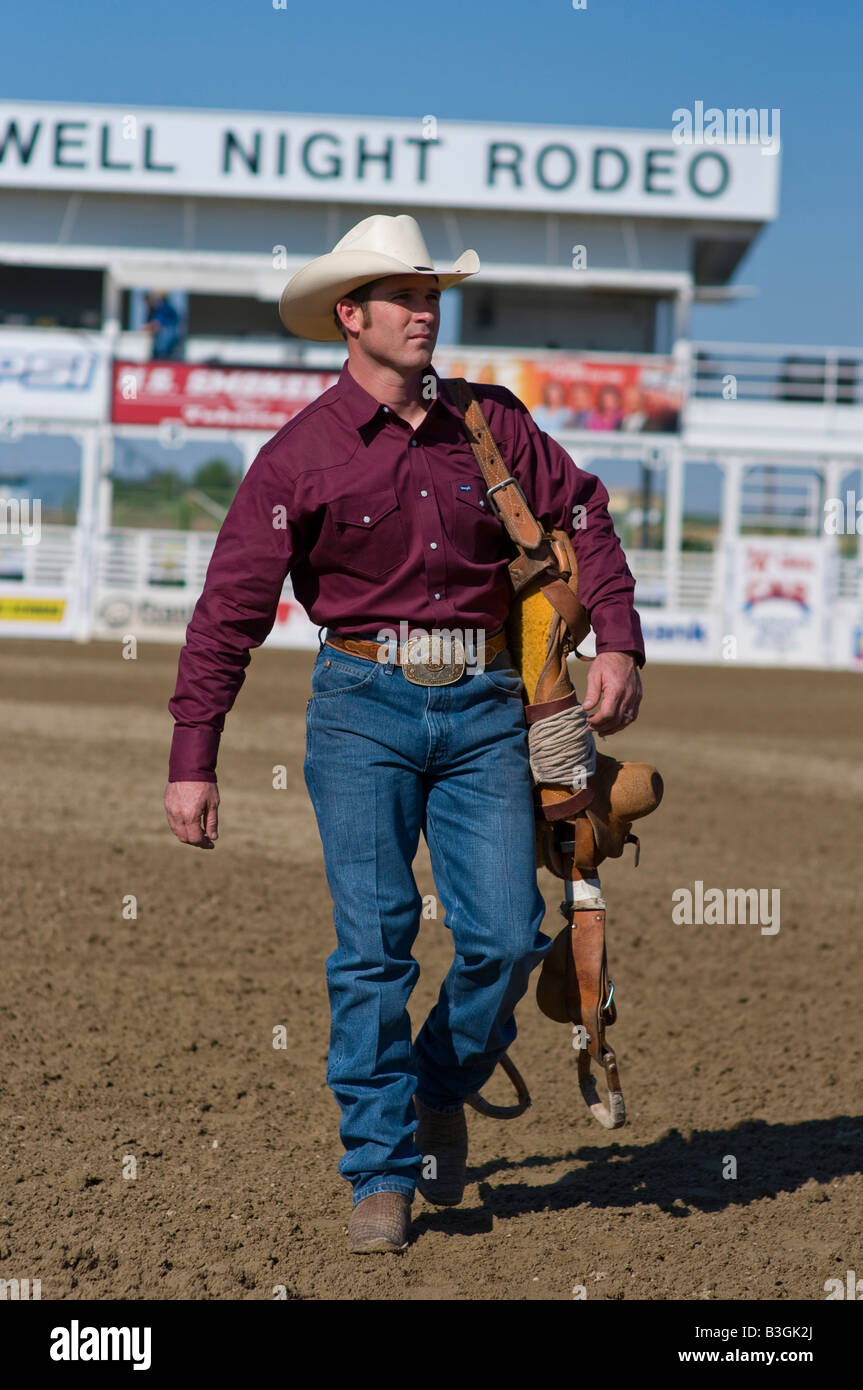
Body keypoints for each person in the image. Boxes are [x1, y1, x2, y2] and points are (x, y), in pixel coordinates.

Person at [163, 214, 644, 1255]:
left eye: (433, 294)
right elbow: (228, 615)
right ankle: (379, 1170)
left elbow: (584, 511)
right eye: (404, 295)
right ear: (351, 315)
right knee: (375, 944)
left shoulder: (493, 424)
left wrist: (617, 638)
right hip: (358, 706)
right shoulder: (296, 458)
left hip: (482, 709)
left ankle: (437, 1086)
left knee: (508, 934)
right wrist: (192, 758)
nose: (426, 311)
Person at [143, 291, 182, 361]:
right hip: (167, 338)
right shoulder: (161, 308)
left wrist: (145, 327)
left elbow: (157, 323)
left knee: (162, 355)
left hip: (165, 338)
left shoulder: (163, 308)